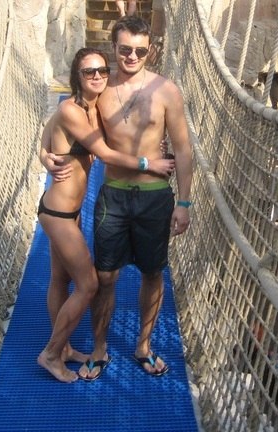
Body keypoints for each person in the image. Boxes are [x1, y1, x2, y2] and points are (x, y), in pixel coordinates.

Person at [37, 47, 175, 383]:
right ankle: (51, 354)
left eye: (102, 70)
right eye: (89, 72)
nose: (97, 76)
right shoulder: (71, 110)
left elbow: (47, 130)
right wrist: (149, 163)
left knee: (60, 279)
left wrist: (43, 153)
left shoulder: (92, 107)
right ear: (77, 75)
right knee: (88, 285)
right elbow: (104, 152)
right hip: (57, 212)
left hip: (69, 212)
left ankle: (65, 347)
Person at [77, 15, 193, 381]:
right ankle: (99, 348)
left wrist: (184, 203)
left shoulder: (166, 91)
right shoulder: (100, 89)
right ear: (114, 47)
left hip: (154, 197)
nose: (132, 57)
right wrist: (49, 155)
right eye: (125, 49)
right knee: (105, 275)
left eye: (140, 51)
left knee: (152, 272)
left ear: (150, 51)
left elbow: (183, 149)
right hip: (113, 195)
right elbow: (71, 124)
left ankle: (143, 346)